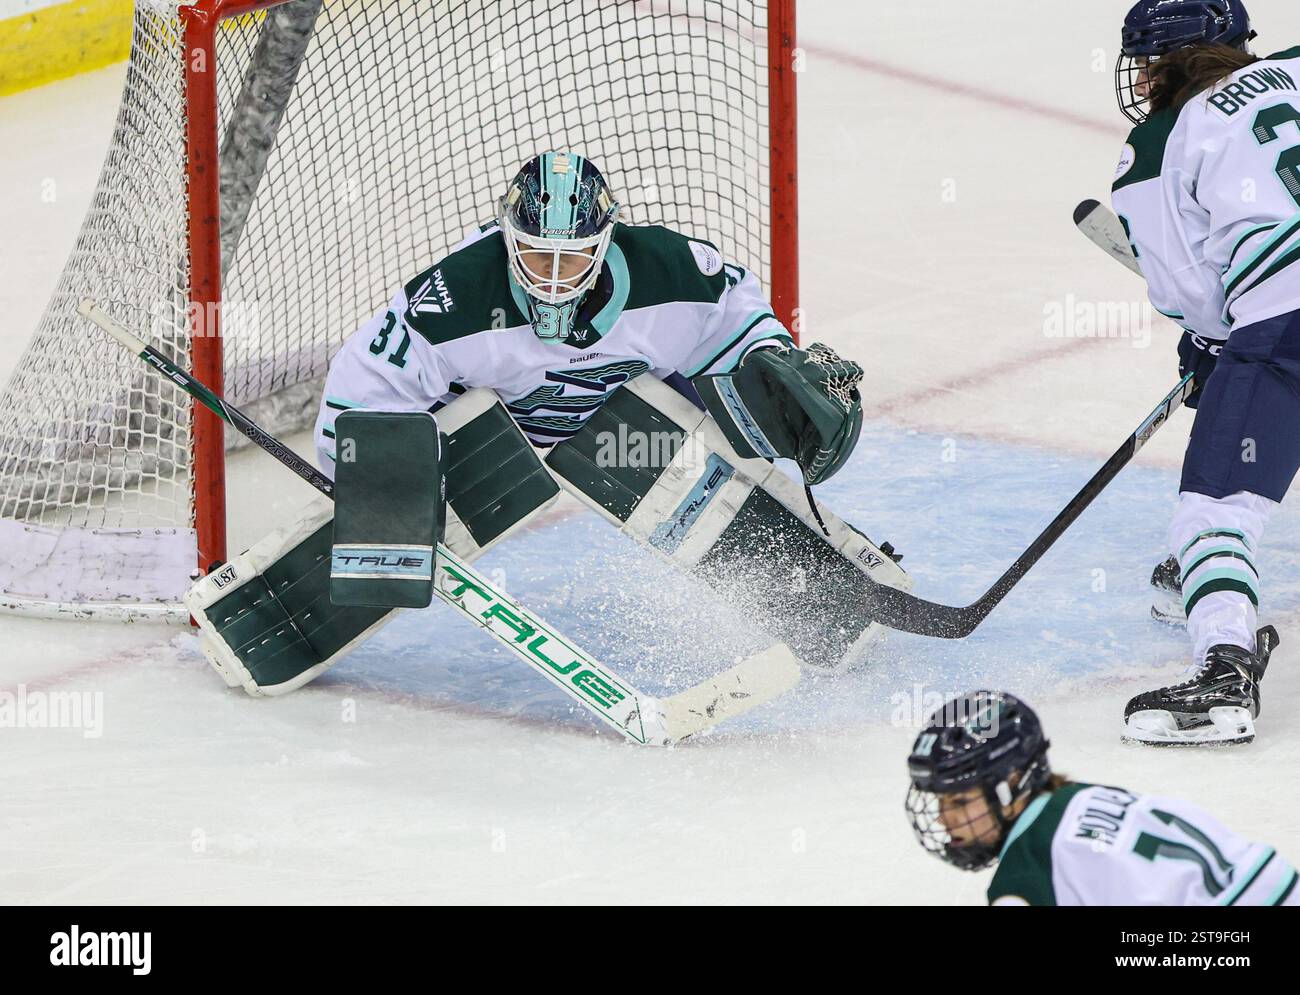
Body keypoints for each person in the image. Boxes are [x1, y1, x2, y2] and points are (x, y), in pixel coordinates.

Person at [313, 150, 862, 484]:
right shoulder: (454, 296)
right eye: (534, 253)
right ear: (507, 238)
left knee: (747, 397)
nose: (551, 276)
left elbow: (734, 316)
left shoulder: (669, 272)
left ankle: (786, 571)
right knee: (393, 434)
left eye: (570, 255)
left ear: (605, 241)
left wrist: (767, 362)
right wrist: (374, 477)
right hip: (490, 425)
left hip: (624, 418)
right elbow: (363, 388)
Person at [1110, 0, 1299, 744]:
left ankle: (1224, 670)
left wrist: (1212, 348)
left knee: (1217, 507)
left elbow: (1191, 290)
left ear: (1161, 66)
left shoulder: (1157, 142)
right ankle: (1195, 570)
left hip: (1286, 317)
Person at [905, 690, 1298, 905]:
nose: (943, 819)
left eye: (958, 802)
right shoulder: (1087, 798)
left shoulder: (1026, 872)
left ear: (1013, 783)